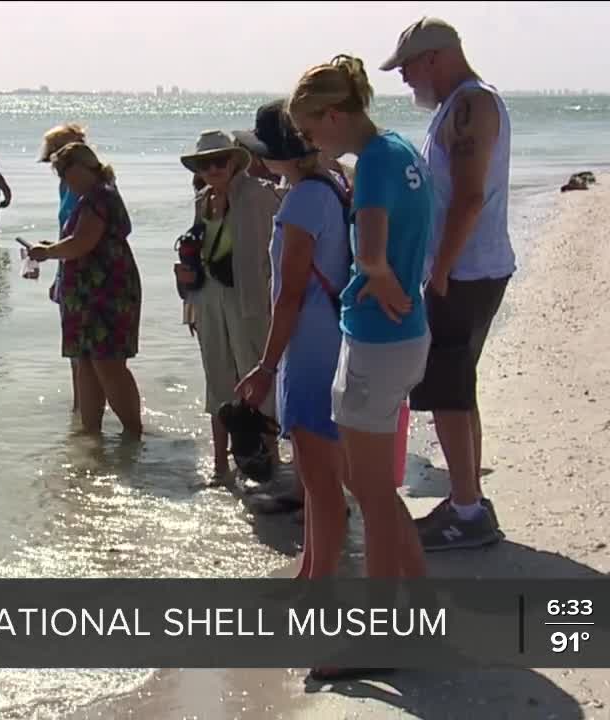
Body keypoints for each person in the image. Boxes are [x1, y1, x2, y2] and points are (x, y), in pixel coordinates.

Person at [288, 55, 431, 589]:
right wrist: (398, 281)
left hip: (377, 335)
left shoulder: (372, 160)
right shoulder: (401, 148)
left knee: (369, 492)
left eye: (308, 129)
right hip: (404, 334)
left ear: (333, 114)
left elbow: (370, 251)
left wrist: (382, 276)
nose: (309, 143)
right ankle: (419, 604)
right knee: (369, 483)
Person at [380, 17, 515, 551]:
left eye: (408, 67)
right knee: (459, 385)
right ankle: (469, 497)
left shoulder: (469, 105)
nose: (406, 79)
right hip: (469, 267)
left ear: (434, 58)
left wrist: (438, 272)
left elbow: (467, 197)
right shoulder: (457, 106)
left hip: (464, 270)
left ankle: (466, 512)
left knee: (447, 393)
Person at [234, 100, 349, 580]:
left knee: (319, 479)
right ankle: (311, 569)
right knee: (326, 474)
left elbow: (290, 296)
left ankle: (317, 580)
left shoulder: (301, 200)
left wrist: (265, 367)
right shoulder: (331, 185)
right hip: (331, 338)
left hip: (308, 346)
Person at [177, 130, 281, 480]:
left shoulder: (258, 196)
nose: (213, 169)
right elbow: (200, 254)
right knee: (217, 380)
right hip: (209, 297)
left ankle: (271, 459)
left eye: (220, 161)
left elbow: (277, 247)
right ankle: (221, 465)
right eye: (205, 164)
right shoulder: (201, 200)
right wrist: (189, 299)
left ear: (235, 161)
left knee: (255, 377)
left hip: (248, 298)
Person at [28, 142, 143, 438]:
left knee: (108, 363)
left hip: (105, 293)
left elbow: (83, 242)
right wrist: (52, 250)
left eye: (64, 173)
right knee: (87, 365)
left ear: (81, 167)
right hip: (86, 294)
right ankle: (90, 436)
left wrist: (48, 251)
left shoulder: (99, 198)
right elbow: (78, 241)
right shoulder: (91, 197)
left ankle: (133, 433)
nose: (64, 181)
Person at [39, 123, 91, 413]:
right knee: (74, 349)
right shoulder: (66, 185)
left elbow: (83, 235)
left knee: (85, 351)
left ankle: (85, 409)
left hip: (87, 273)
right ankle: (80, 408)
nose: (55, 168)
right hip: (68, 268)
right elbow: (67, 230)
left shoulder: (93, 189)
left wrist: (51, 252)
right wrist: (55, 263)